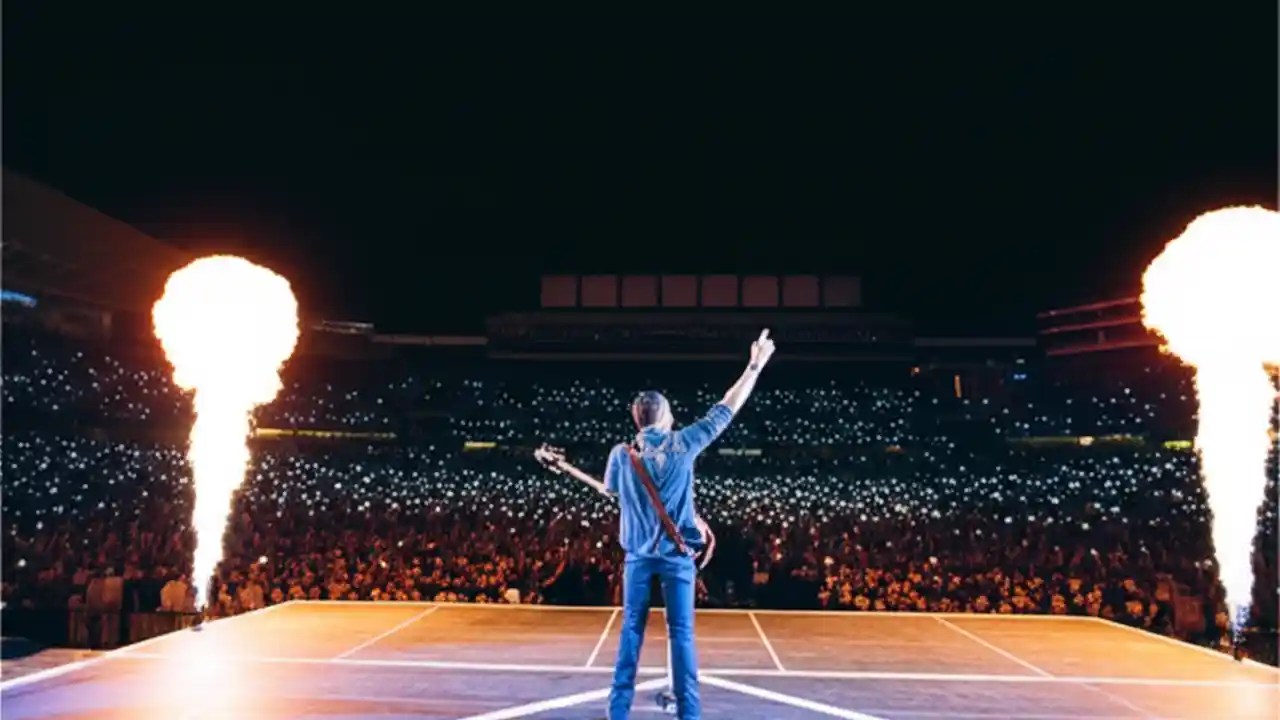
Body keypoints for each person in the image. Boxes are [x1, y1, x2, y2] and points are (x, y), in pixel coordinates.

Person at [602, 329, 776, 720]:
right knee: (681, 635)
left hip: (637, 559)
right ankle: (689, 714)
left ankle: (618, 712)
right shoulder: (684, 443)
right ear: (665, 417)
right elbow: (727, 407)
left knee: (631, 633)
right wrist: (754, 366)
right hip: (677, 557)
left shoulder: (620, 454)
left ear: (637, 420)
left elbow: (611, 491)